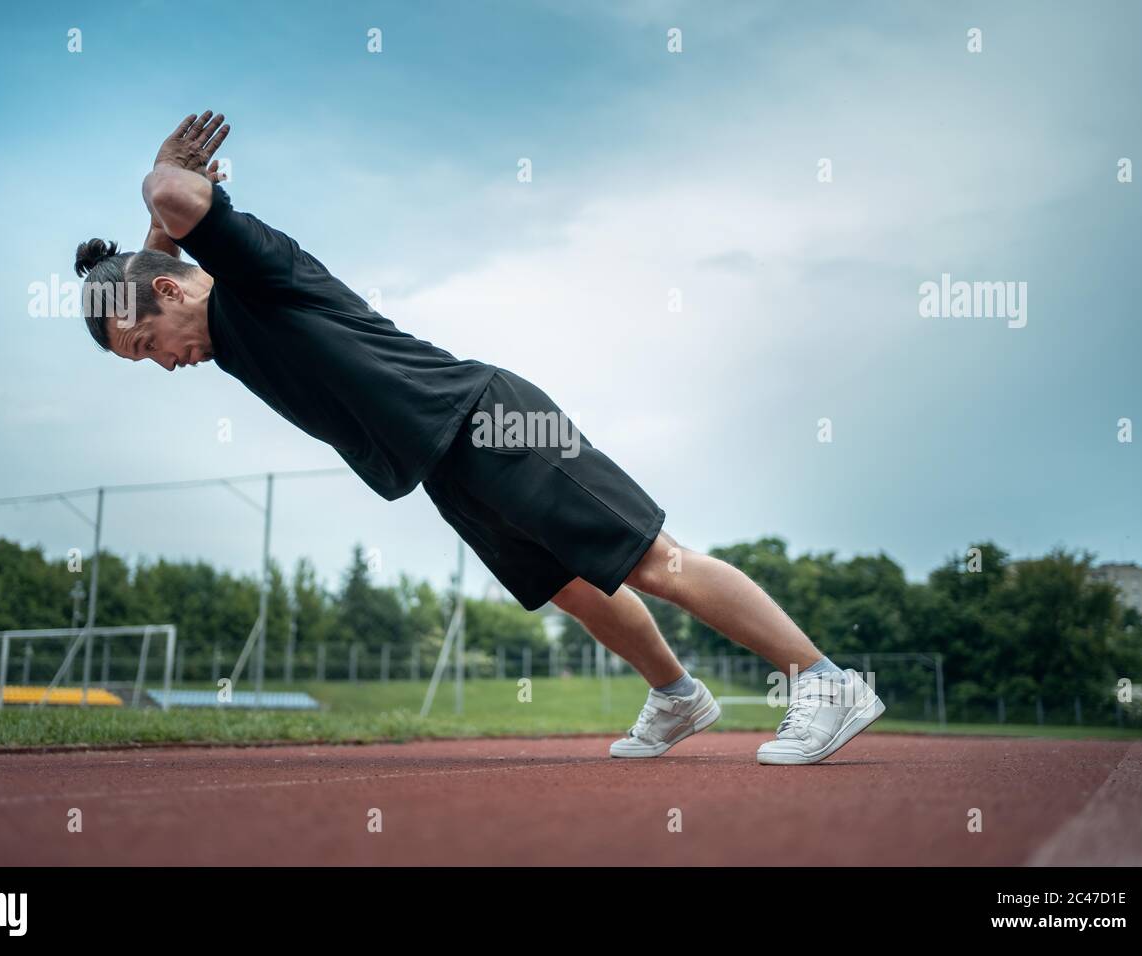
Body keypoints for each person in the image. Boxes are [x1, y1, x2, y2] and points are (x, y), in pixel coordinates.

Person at [75, 112, 885, 764]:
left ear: (173, 291)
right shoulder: (210, 324)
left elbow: (172, 197)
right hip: (444, 462)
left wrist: (160, 175)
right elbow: (151, 265)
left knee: (652, 560)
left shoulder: (254, 274)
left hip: (487, 421)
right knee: (572, 587)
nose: (164, 364)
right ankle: (677, 697)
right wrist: (149, 238)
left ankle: (824, 681)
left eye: (147, 346)